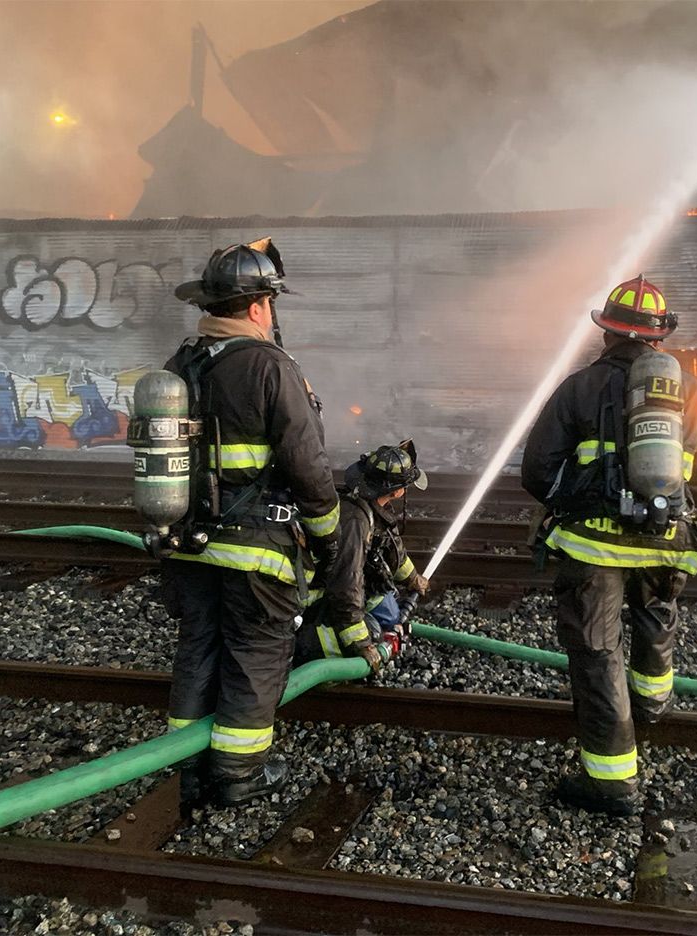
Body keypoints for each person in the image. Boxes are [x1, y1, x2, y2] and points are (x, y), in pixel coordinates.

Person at [521, 274, 697, 817]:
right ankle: (650, 706)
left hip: (593, 548)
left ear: (607, 332)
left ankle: (612, 780)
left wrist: (575, 501)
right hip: (667, 541)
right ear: (660, 336)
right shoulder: (692, 391)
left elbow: (538, 471)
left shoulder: (579, 387)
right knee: (656, 615)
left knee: (598, 651)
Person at [162, 238, 341, 813]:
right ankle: (239, 773)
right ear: (260, 306)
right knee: (255, 653)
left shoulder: (180, 365)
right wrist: (329, 538)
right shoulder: (269, 366)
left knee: (198, 647)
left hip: (186, 545)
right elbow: (308, 466)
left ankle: (188, 767)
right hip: (257, 549)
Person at [294, 441, 431, 667]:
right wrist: (360, 642)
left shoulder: (375, 508)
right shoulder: (355, 521)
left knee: (390, 612)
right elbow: (346, 583)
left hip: (344, 584)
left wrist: (413, 579)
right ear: (397, 491)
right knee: (373, 632)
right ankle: (317, 656)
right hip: (317, 596)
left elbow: (393, 550)